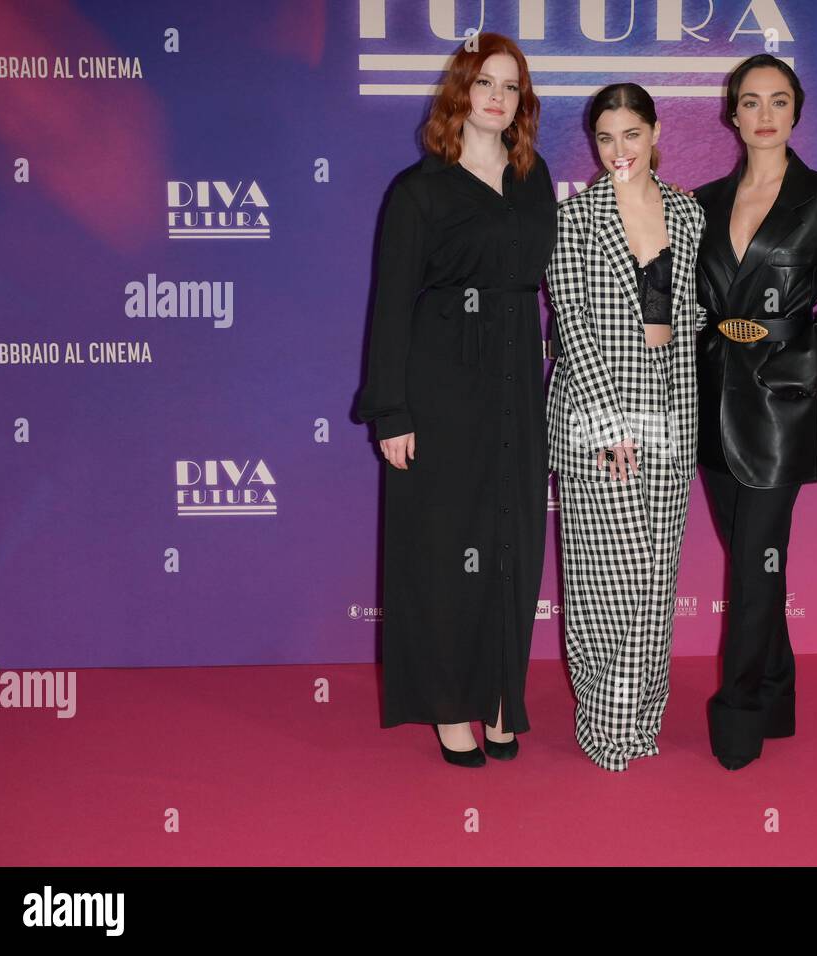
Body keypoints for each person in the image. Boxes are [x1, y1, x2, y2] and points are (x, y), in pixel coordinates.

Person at [355, 34, 556, 768]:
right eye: (485, 83)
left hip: (515, 387)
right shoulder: (420, 190)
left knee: (512, 545)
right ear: (460, 93)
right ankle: (448, 704)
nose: (498, 97)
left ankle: (502, 695)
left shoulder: (535, 179)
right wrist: (391, 411)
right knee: (444, 550)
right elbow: (390, 308)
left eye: (511, 86)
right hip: (441, 385)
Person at [692, 54, 817, 770]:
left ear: (796, 111)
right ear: (731, 113)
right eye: (749, 101)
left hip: (777, 411)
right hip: (709, 405)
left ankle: (738, 715)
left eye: (777, 101)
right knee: (755, 562)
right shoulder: (700, 203)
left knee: (752, 569)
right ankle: (777, 692)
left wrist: (793, 361)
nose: (764, 115)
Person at [545, 83, 708, 771]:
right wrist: (610, 424)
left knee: (654, 580)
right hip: (594, 414)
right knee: (604, 581)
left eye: (631, 135)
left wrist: (678, 327)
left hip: (670, 410)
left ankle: (642, 720)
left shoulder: (687, 213)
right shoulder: (575, 219)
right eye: (606, 138)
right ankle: (605, 726)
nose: (619, 151)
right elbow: (570, 325)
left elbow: (693, 311)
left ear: (655, 132)